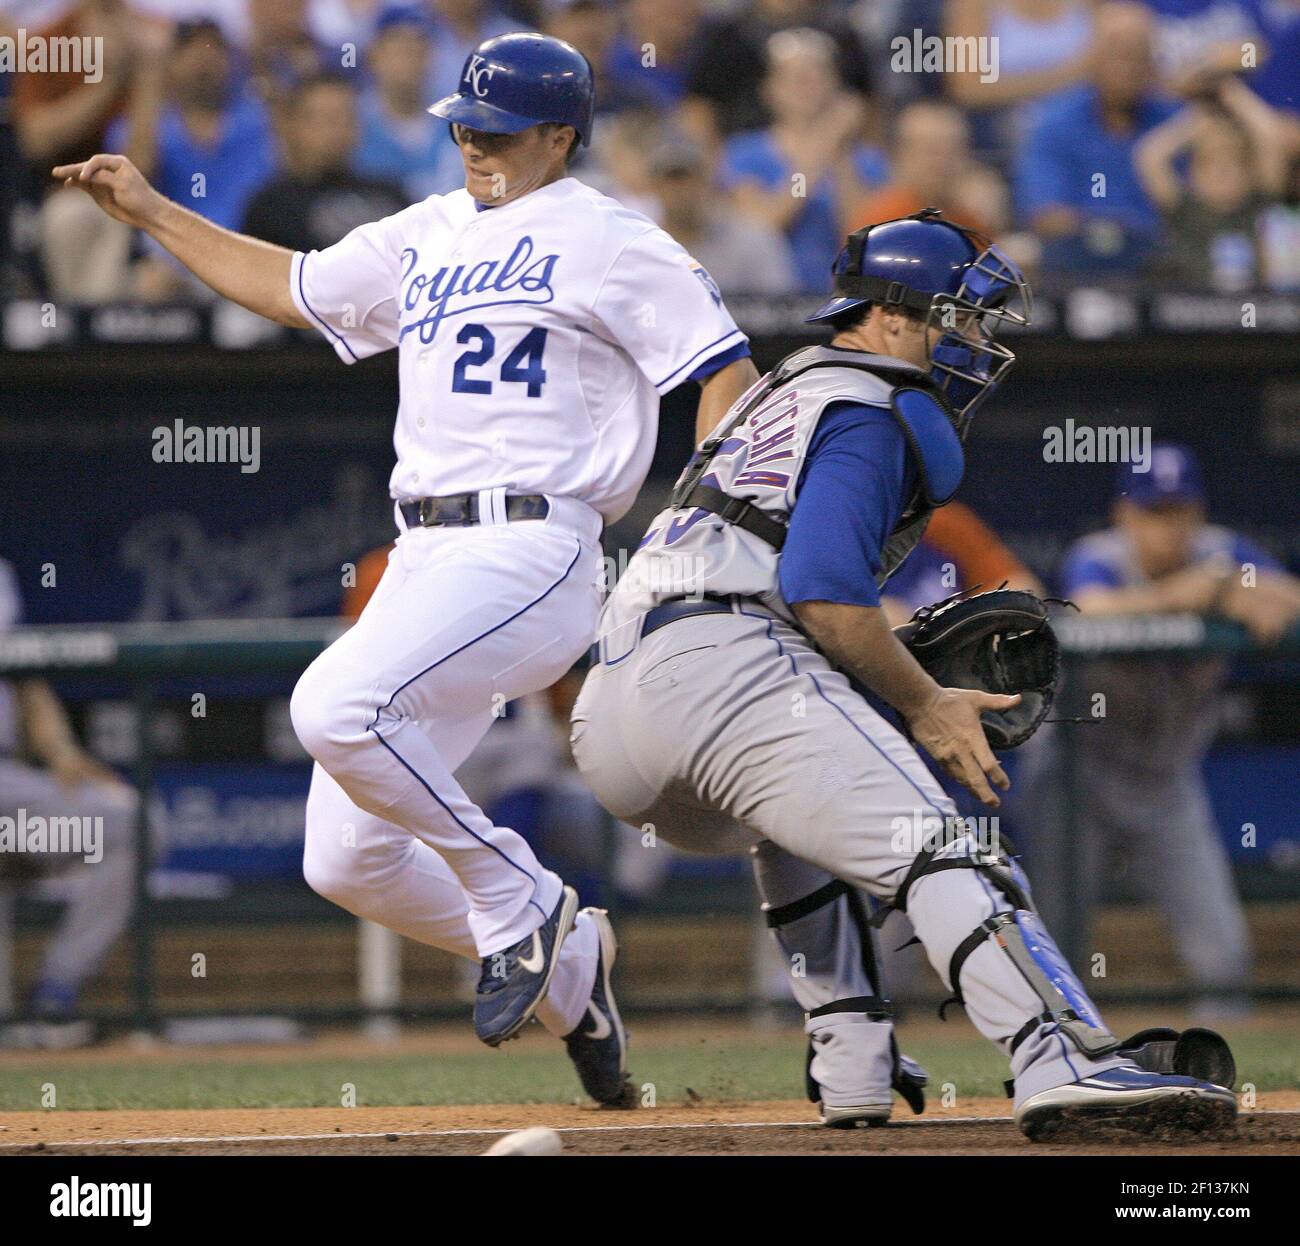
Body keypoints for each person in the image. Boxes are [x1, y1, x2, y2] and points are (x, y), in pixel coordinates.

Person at [52, 31, 757, 1106]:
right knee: (343, 862)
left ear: (560, 134)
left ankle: (525, 901)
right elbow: (294, 285)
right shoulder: (427, 228)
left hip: (535, 539)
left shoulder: (612, 236)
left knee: (333, 704)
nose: (475, 142)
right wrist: (153, 210)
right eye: (464, 123)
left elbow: (723, 370)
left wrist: (710, 523)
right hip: (426, 550)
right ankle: (572, 973)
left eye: (499, 129)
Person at [569, 209, 1238, 1138]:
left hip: (616, 714)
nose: (971, 341)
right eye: (953, 318)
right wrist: (923, 702)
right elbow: (825, 593)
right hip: (725, 666)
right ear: (887, 317)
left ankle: (853, 1060)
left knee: (803, 823)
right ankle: (1061, 1059)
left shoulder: (776, 392)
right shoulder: (869, 399)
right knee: (947, 847)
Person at [1020, 444, 1300, 1017]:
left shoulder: (1223, 556)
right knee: (1056, 959)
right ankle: (1053, 1074)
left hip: (1166, 784)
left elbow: (1286, 598)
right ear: (1126, 515)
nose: (1167, 529)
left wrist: (1233, 590)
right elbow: (1088, 609)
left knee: (1223, 960)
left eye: (1178, 512)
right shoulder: (1097, 555)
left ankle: (1231, 1090)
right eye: (1153, 512)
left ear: (1197, 513)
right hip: (1076, 779)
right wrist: (1189, 596)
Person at [0, 558, 140, 1047]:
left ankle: (54, 993)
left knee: (134, 824)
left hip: (10, 793)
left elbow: (23, 675)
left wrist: (62, 751)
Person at [108, 18, 279, 301]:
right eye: (190, 52)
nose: (203, 62)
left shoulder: (260, 120)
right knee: (151, 283)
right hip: (174, 259)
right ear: (171, 63)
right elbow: (134, 175)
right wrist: (150, 77)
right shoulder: (142, 126)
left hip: (249, 254)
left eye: (213, 51)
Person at [1015, 1, 1177, 273]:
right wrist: (1115, 231)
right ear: (1093, 58)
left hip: (1161, 271)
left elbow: (1194, 214)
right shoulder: (1055, 122)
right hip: (1073, 267)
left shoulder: (1173, 123)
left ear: (1153, 64)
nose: (1129, 69)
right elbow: (1045, 214)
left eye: (1139, 56)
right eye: (1119, 55)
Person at [720, 28, 886, 293]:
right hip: (770, 303)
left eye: (817, 73)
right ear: (768, 88)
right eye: (791, 76)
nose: (805, 83)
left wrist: (840, 156)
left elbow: (865, 236)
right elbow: (764, 226)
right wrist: (829, 138)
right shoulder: (743, 153)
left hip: (843, 297)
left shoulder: (866, 160)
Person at [1135, 76, 1289, 289]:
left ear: (1251, 174)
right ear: (1192, 174)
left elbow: (1271, 137)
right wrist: (1194, 122)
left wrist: (1235, 94)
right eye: (1210, 164)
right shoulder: (1183, 209)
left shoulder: (1258, 205)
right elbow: (1149, 156)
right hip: (1190, 311)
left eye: (1236, 164)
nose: (1223, 173)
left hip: (1251, 311)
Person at [241, 73, 407, 252]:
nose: (337, 128)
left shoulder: (391, 194)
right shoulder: (271, 208)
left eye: (346, 116)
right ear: (293, 125)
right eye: (324, 118)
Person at [354, 6, 464, 201]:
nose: (410, 61)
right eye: (400, 49)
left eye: (418, 50)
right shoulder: (353, 121)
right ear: (374, 54)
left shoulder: (456, 120)